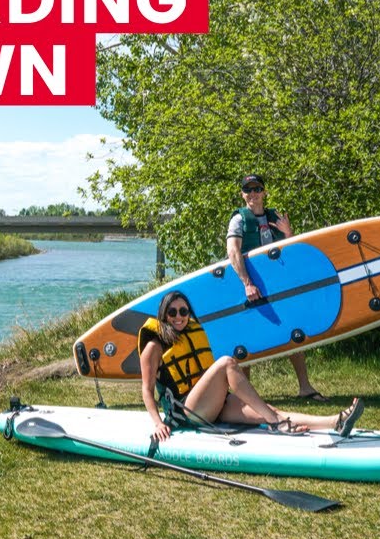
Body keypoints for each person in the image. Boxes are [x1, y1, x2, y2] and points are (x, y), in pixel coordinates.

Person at [139, 290, 363, 442]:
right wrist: (158, 424)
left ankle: (335, 422)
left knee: (267, 410)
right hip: (185, 412)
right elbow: (147, 391)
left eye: (184, 312)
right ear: (164, 314)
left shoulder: (190, 333)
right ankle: (276, 424)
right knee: (227, 363)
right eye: (173, 312)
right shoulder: (154, 346)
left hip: (208, 404)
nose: (179, 317)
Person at [226, 173, 326, 401]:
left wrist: (288, 233)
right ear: (243, 194)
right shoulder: (239, 220)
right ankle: (244, 396)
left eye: (257, 189)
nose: (253, 194)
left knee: (293, 331)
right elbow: (233, 251)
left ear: (264, 192)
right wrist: (247, 283)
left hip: (278, 287)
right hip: (250, 287)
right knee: (248, 338)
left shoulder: (276, 217)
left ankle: (305, 388)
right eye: (248, 190)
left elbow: (291, 252)